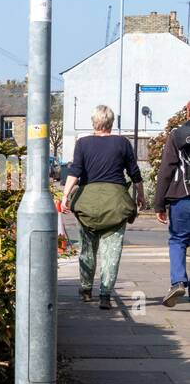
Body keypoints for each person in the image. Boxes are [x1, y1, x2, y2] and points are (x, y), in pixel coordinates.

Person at [62, 105, 143, 310]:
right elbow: (134, 172)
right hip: (116, 202)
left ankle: (87, 290)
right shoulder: (122, 143)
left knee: (87, 249)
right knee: (112, 252)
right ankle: (106, 294)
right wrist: (140, 195)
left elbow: (75, 171)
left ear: (93, 122)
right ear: (111, 122)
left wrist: (65, 196)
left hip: (87, 202)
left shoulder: (82, 143)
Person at [153, 103, 190, 307]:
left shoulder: (177, 135)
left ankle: (178, 281)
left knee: (178, 240)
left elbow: (166, 170)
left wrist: (159, 204)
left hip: (183, 196)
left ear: (187, 112)